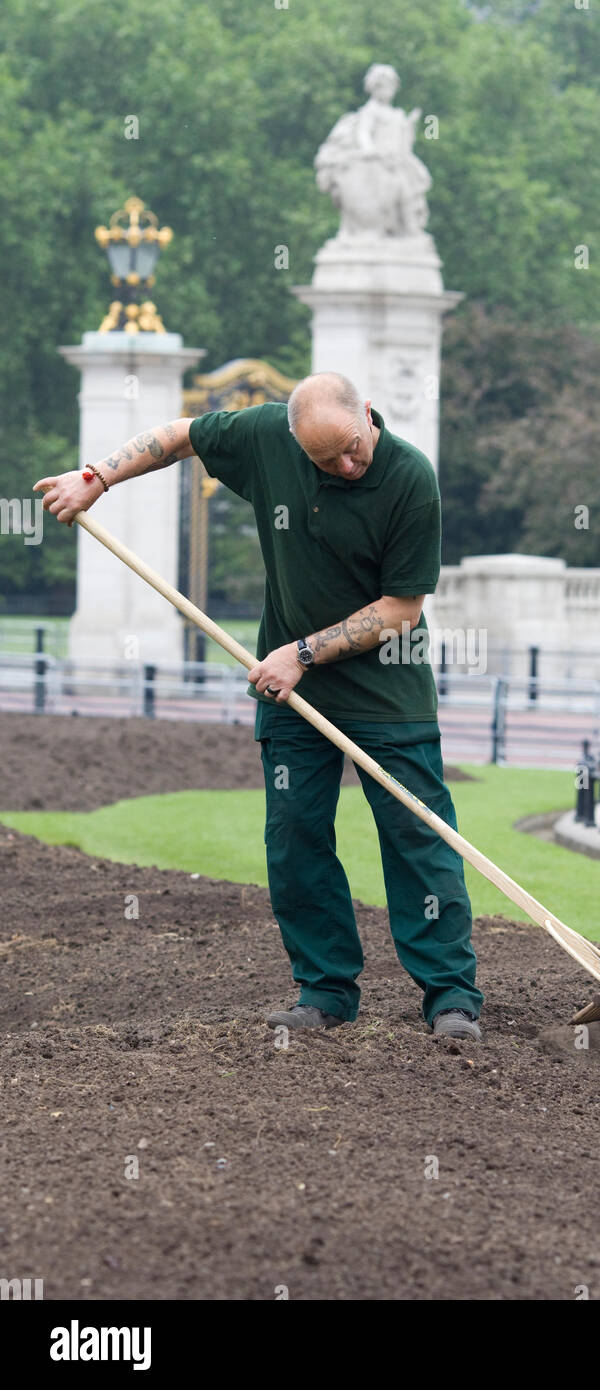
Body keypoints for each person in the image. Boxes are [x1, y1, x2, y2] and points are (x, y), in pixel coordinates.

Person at [34, 371, 483, 1041]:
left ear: (366, 413)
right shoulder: (269, 435)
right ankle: (325, 991)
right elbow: (178, 435)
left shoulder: (411, 479)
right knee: (296, 836)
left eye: (352, 448)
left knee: (421, 839)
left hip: (388, 692)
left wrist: (300, 653)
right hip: (290, 692)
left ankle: (451, 997)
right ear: (295, 441)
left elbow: (400, 609)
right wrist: (97, 476)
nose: (345, 465)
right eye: (325, 460)